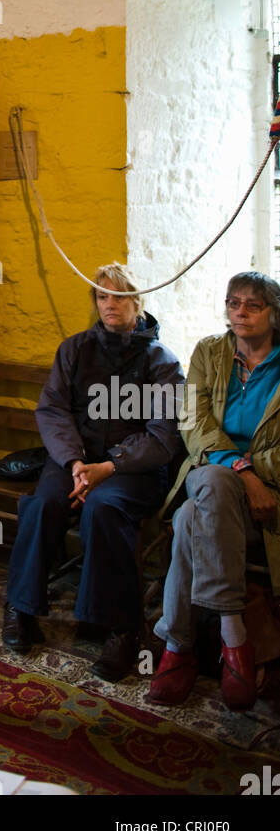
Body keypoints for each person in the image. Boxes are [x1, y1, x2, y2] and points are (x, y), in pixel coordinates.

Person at [2, 264, 184, 682]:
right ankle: (21, 605)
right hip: (77, 461)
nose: (109, 304)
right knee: (44, 503)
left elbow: (162, 437)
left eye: (119, 296)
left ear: (138, 300)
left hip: (133, 470)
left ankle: (121, 627)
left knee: (102, 508)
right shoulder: (75, 350)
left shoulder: (162, 362)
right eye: (102, 296)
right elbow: (52, 410)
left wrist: (110, 466)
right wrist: (74, 463)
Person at [148, 271, 280, 711]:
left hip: (268, 498)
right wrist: (243, 470)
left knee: (188, 520)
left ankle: (178, 649)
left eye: (253, 305)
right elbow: (194, 423)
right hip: (218, 475)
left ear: (274, 313)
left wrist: (257, 477)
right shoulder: (210, 351)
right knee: (212, 478)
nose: (240, 312)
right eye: (233, 303)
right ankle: (233, 635)